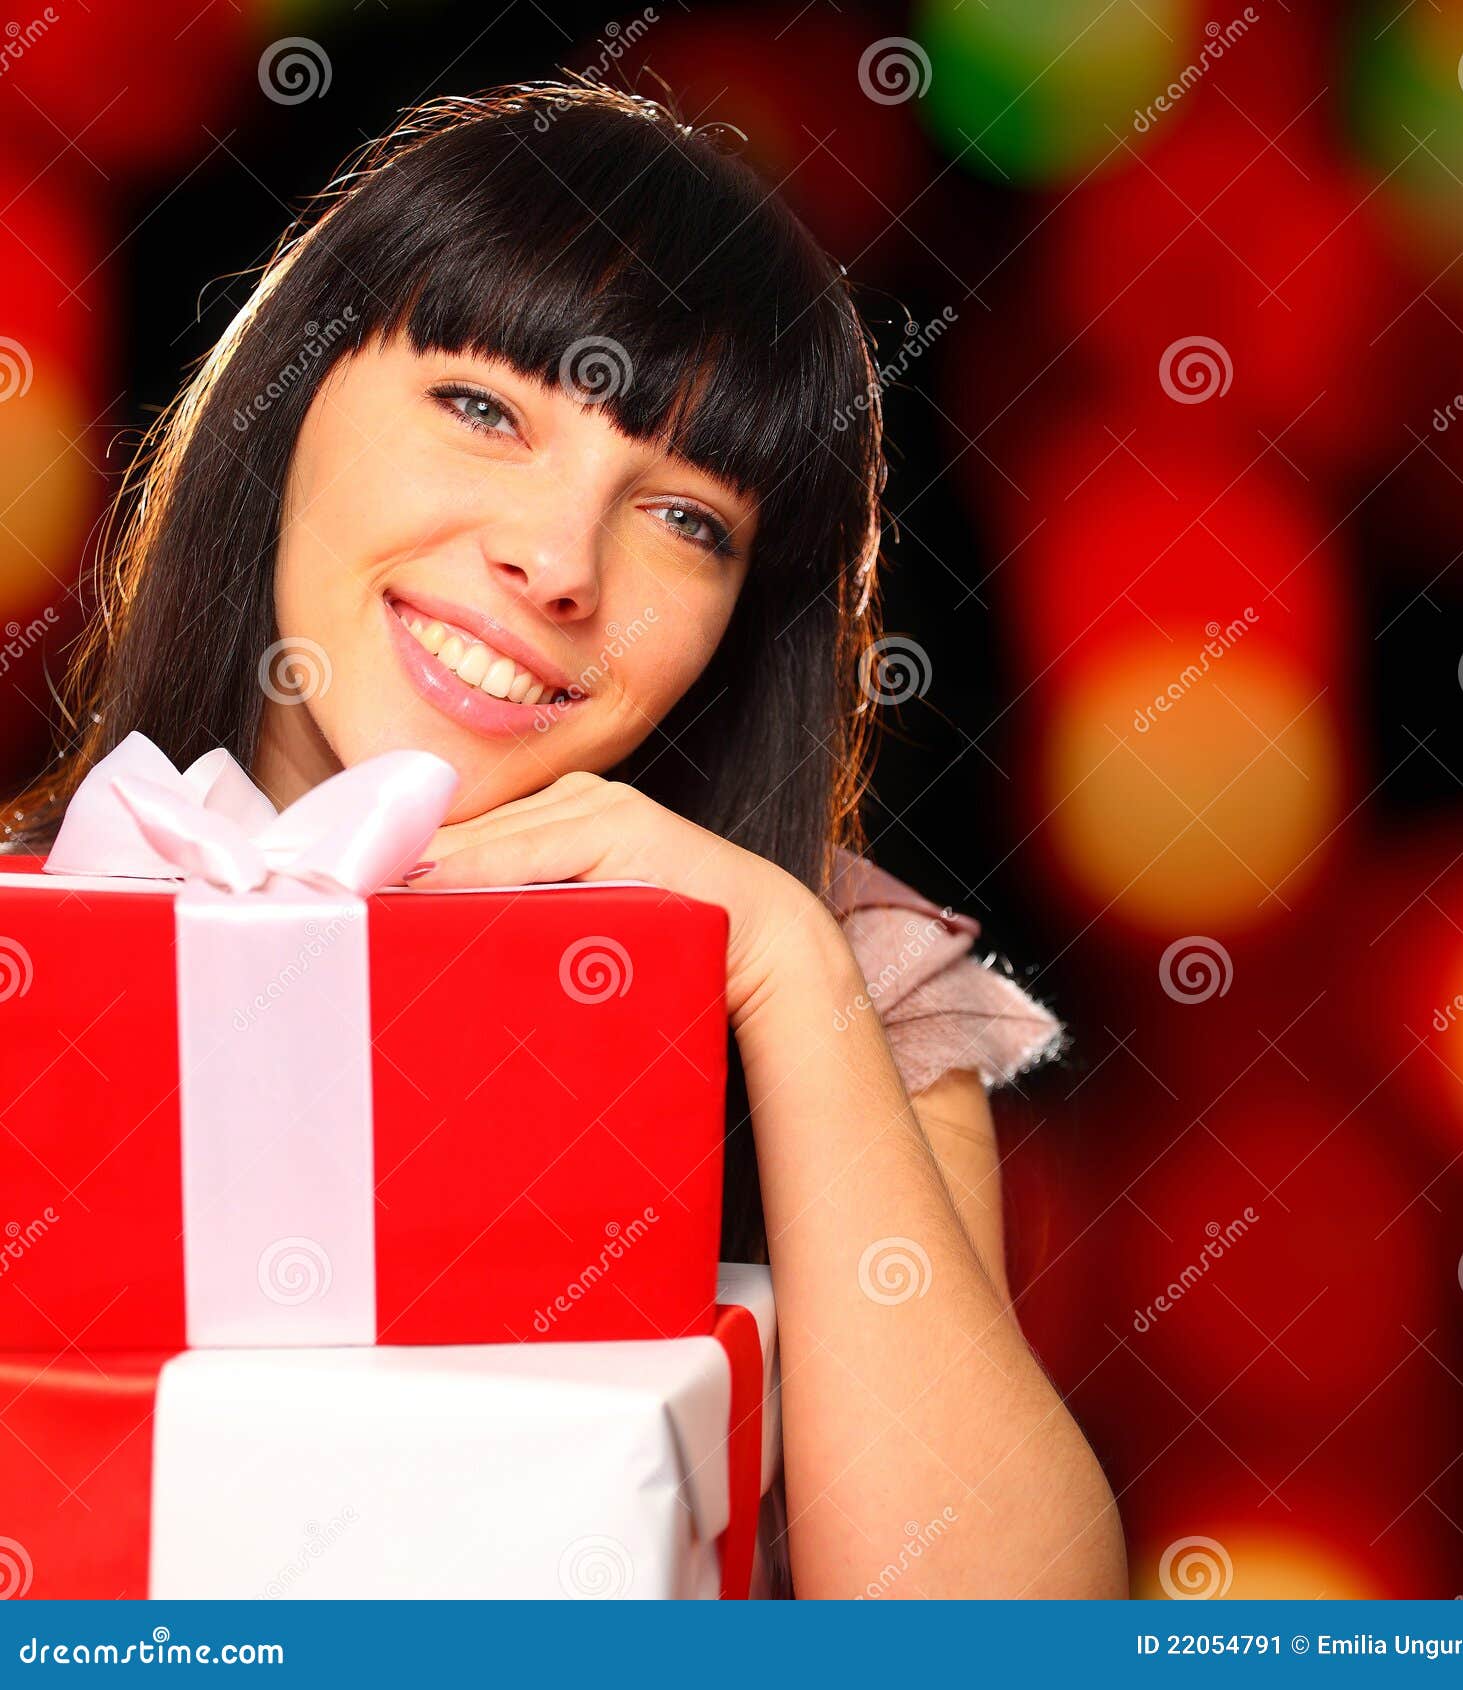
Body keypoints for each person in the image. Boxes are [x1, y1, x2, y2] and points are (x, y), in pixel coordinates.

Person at [6, 82, 1127, 1599]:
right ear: (294, 393)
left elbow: (998, 1637)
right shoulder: (29, 918)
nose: (555, 562)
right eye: (483, 411)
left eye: (686, 519)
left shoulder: (842, 974)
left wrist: (787, 971)